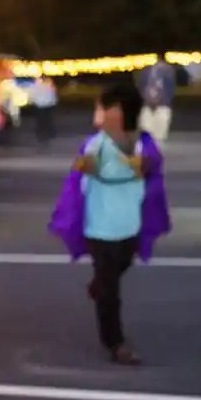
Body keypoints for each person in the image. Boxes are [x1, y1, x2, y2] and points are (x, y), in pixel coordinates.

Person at [48, 83, 171, 366]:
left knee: (122, 264)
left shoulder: (143, 142)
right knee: (110, 286)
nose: (101, 113)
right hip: (98, 223)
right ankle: (115, 342)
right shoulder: (95, 144)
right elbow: (78, 177)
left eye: (105, 108)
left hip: (129, 223)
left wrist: (136, 164)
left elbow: (150, 169)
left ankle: (99, 286)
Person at [136, 57, 176, 144]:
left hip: (162, 107)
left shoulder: (169, 73)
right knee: (146, 134)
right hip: (148, 107)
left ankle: (155, 154)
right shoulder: (146, 72)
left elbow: (170, 91)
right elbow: (141, 88)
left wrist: (160, 101)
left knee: (159, 138)